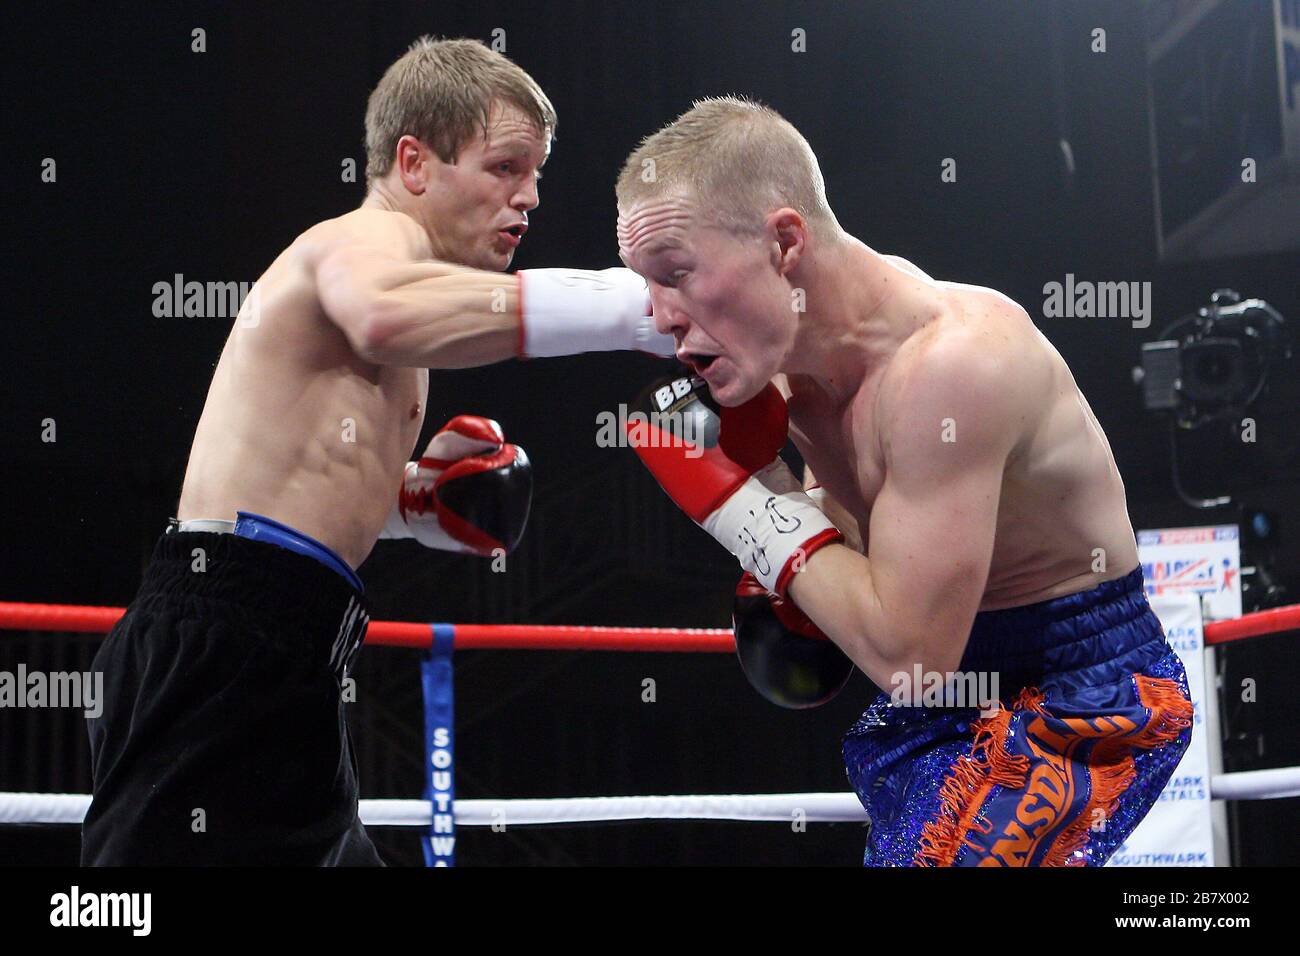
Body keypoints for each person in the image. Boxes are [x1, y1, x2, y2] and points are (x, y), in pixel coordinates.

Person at [82, 36, 672, 866]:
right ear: (414, 161)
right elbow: (380, 313)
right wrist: (631, 309)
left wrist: (419, 506)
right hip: (220, 642)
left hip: (298, 650)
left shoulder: (411, 306)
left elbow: (306, 480)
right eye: (506, 167)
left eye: (536, 173)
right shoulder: (360, 246)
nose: (531, 196)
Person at [618, 96, 1193, 866]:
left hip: (1081, 689)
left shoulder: (950, 367)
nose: (658, 317)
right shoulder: (776, 362)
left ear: (784, 242)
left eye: (676, 276)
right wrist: (774, 486)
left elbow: (913, 661)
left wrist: (739, 500)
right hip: (953, 681)